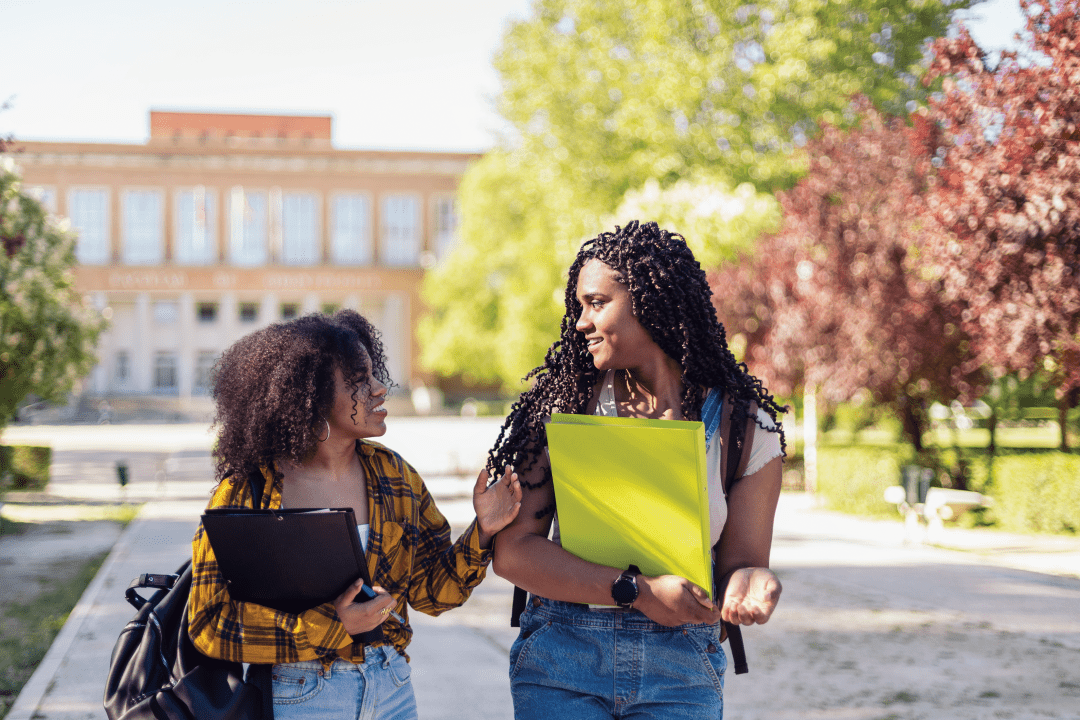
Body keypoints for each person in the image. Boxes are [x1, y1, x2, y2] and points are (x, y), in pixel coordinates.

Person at [490, 221, 786, 719]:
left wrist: (750, 583)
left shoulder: (746, 430)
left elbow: (741, 562)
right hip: (563, 663)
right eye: (580, 305)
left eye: (597, 303)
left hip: (682, 672)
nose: (581, 321)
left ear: (652, 302)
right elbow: (513, 553)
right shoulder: (562, 409)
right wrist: (638, 592)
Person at [188, 310, 521, 720]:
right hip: (299, 694)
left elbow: (432, 595)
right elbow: (208, 622)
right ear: (310, 398)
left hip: (392, 686)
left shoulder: (395, 476)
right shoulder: (247, 492)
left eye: (374, 375)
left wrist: (483, 531)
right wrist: (331, 625)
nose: (380, 389)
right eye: (359, 382)